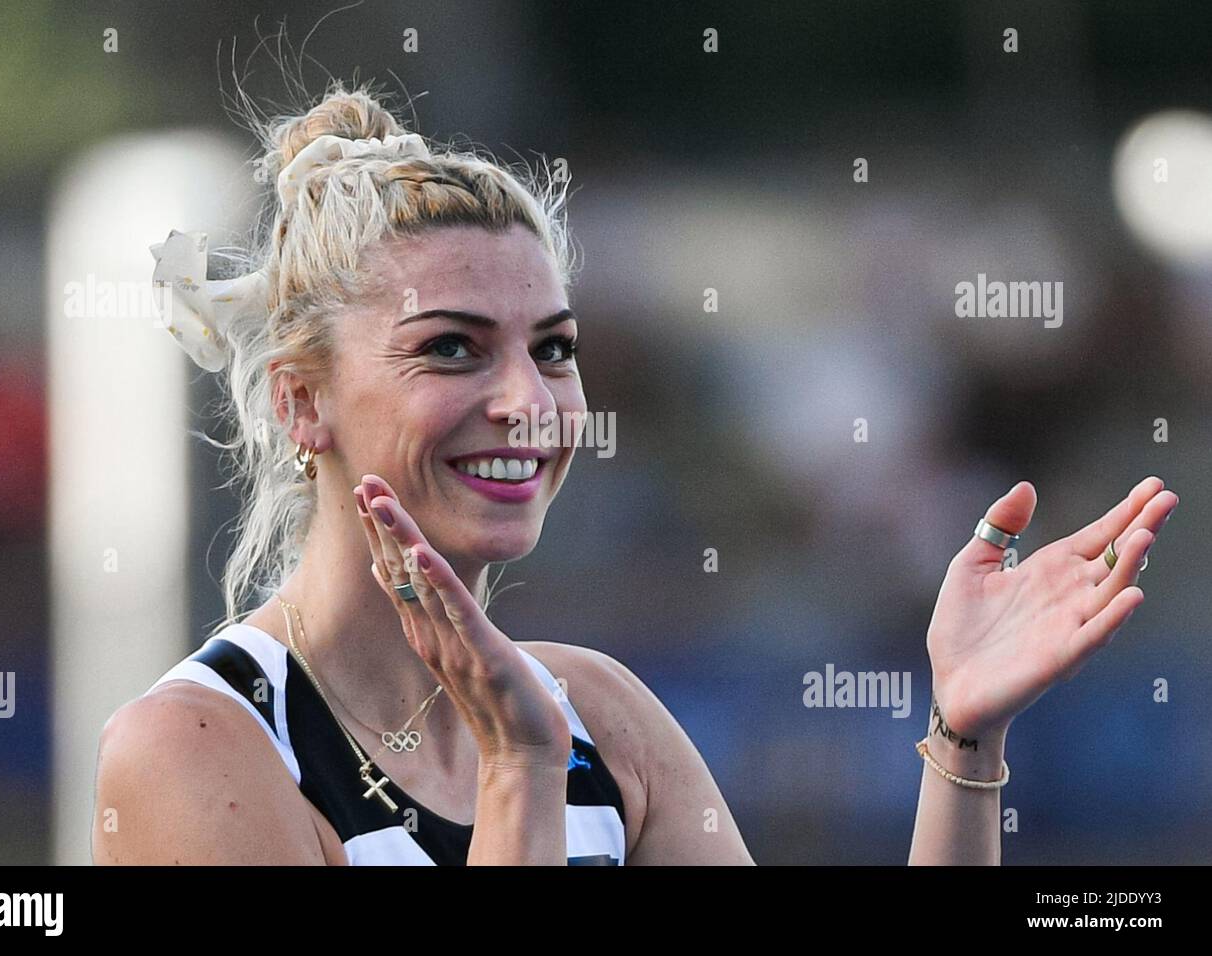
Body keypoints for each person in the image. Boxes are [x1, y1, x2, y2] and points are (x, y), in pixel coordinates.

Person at [90, 79, 1178, 866]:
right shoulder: (195, 746)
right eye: (452, 347)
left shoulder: (599, 714)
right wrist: (519, 775)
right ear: (299, 399)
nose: (530, 401)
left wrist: (961, 738)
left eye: (552, 348)